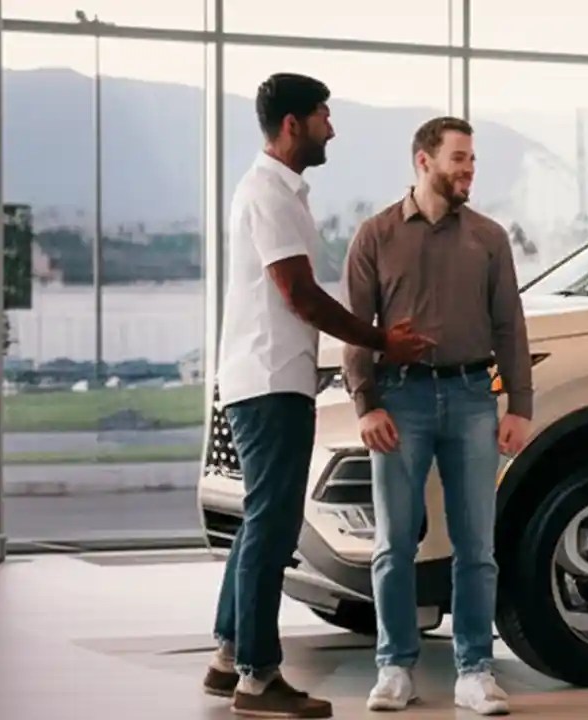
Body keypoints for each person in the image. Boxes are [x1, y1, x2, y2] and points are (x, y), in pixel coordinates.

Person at [204, 72, 432, 719]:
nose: (332, 126)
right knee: (273, 527)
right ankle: (257, 677)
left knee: (259, 520)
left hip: (271, 378)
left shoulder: (281, 193)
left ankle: (228, 656)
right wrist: (382, 339)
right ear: (292, 125)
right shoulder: (269, 195)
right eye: (323, 116)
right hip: (270, 381)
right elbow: (298, 294)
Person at [341, 116, 533, 715]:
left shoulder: (490, 237)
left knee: (477, 544)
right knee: (394, 543)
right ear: (423, 162)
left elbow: (510, 326)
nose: (469, 169)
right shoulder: (374, 236)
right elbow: (356, 328)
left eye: (472, 159)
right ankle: (395, 666)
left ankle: (475, 669)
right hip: (399, 401)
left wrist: (520, 406)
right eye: (459, 158)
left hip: (474, 397)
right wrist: (365, 402)